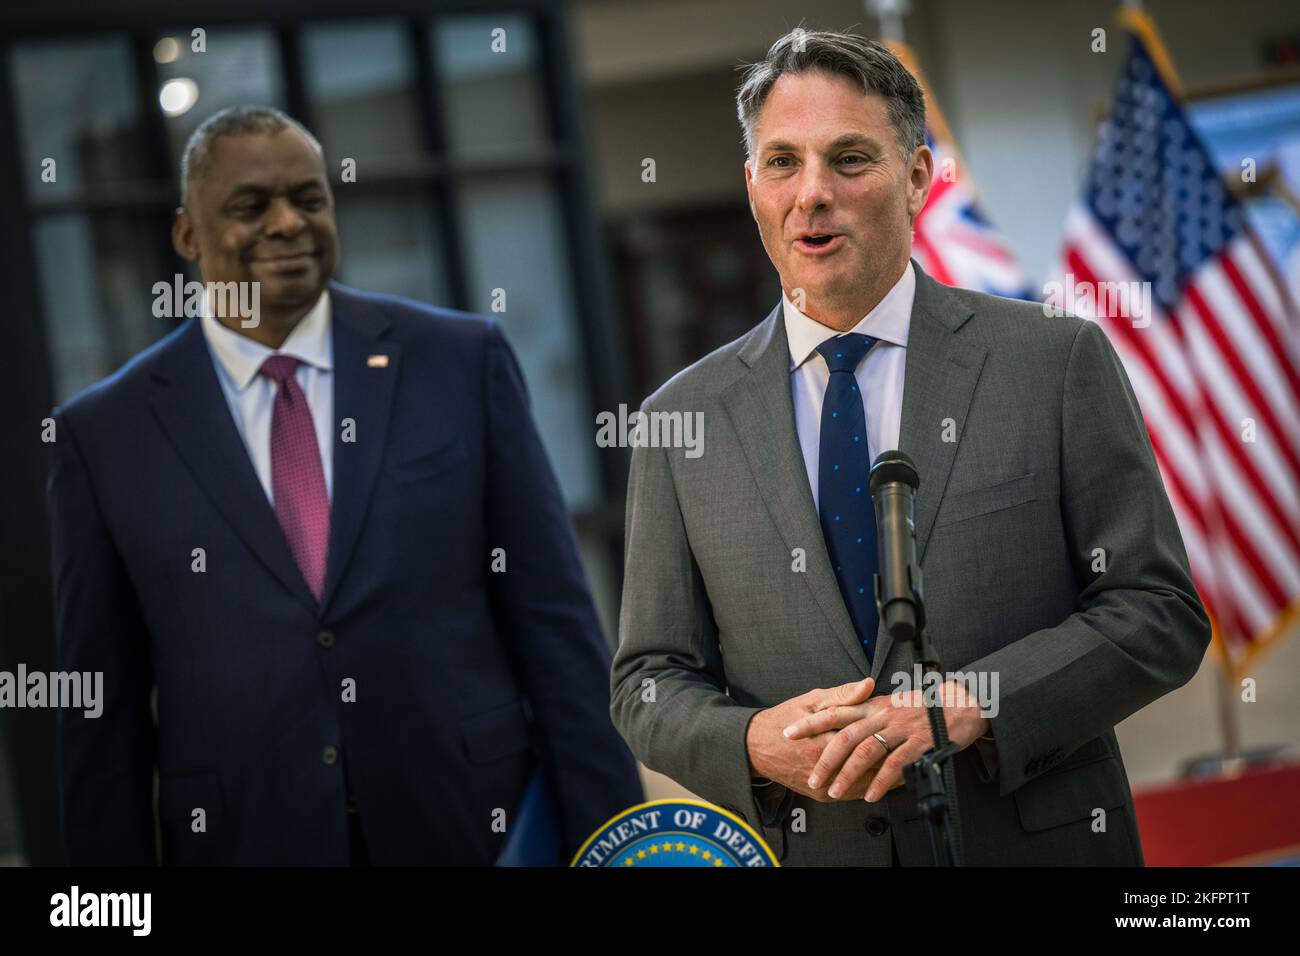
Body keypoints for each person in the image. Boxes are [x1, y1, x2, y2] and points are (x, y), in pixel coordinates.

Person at [610, 30, 1210, 865]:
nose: (811, 193)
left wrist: (976, 705)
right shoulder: (682, 423)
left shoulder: (1051, 361)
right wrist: (753, 741)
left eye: (849, 158)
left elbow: (1159, 613)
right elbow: (648, 683)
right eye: (782, 162)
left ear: (918, 176)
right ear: (753, 186)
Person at [48, 105, 641, 865]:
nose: (288, 223)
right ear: (187, 235)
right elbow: (102, 716)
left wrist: (622, 845)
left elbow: (558, 629)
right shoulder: (105, 435)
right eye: (250, 206)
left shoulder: (459, 361)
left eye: (310, 197)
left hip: (472, 827)